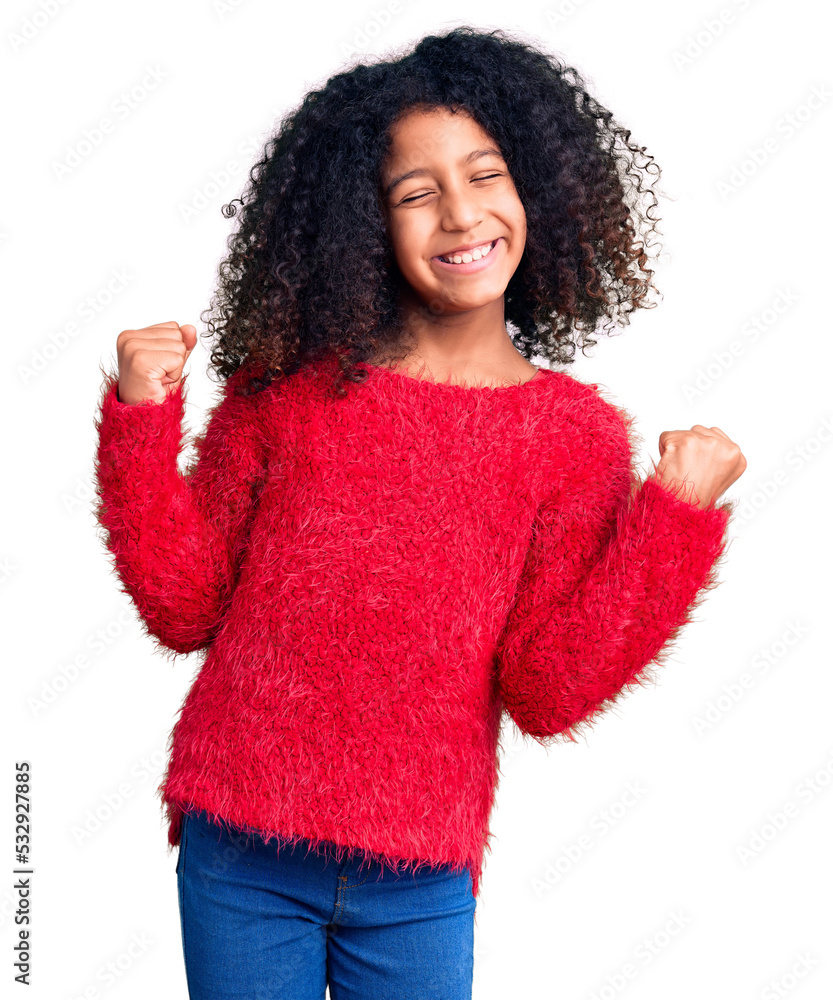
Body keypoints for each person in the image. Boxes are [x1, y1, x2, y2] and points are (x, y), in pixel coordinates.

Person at [92, 25, 746, 1000]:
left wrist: (674, 517)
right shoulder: (289, 393)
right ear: (362, 224)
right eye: (414, 192)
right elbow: (183, 605)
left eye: (485, 175)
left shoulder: (569, 436)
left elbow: (547, 684)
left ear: (538, 191)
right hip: (241, 852)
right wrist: (141, 421)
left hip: (418, 877)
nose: (459, 213)